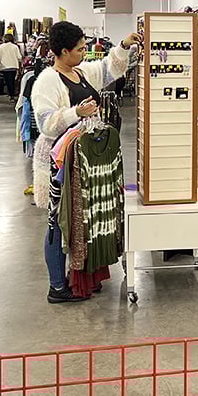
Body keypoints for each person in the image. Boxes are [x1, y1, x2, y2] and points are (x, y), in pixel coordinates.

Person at [31, 20, 140, 303]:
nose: (84, 53)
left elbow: (108, 68)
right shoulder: (46, 82)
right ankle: (57, 286)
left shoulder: (81, 72)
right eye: (79, 49)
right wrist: (75, 112)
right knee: (59, 222)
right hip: (61, 163)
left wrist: (124, 46)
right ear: (63, 51)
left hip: (86, 159)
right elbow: (46, 124)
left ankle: (83, 277)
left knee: (84, 220)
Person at [0, 33, 22, 101]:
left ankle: (11, 94)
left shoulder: (1, 46)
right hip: (13, 66)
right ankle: (12, 94)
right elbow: (19, 57)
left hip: (5, 67)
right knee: (12, 81)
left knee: (8, 81)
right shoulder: (15, 47)